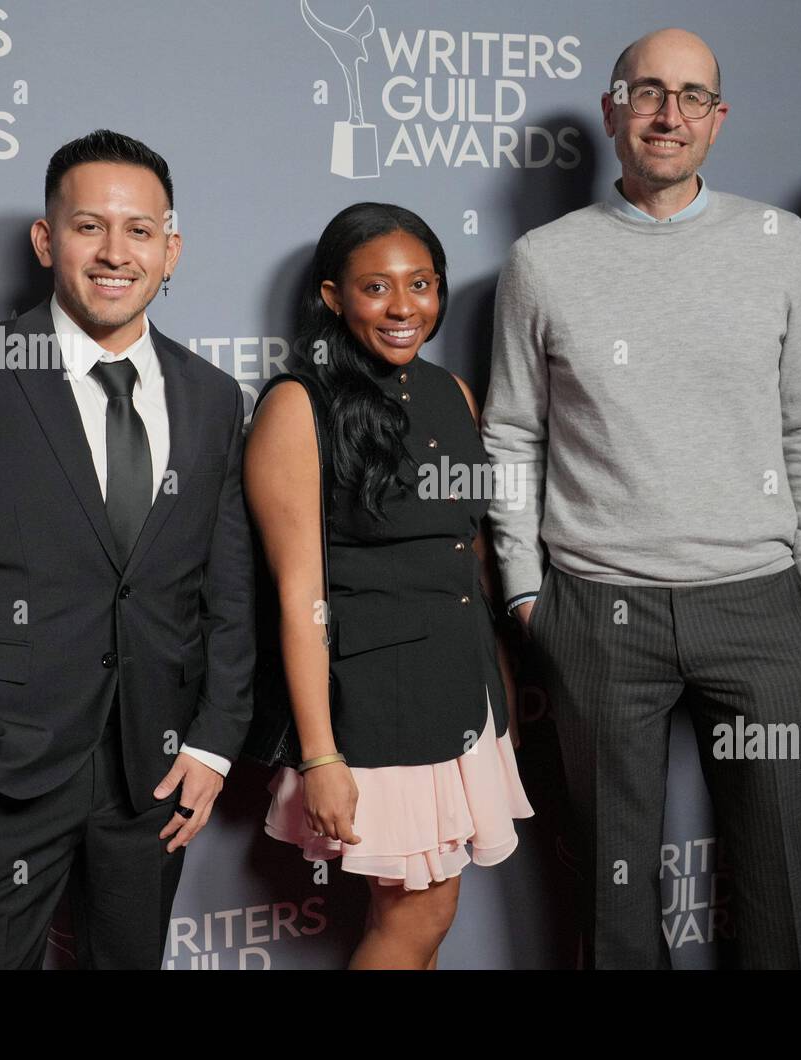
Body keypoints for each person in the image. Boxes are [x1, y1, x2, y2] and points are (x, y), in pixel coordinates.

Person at [481, 28, 801, 969]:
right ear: (613, 111)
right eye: (646, 92)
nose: (667, 114)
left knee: (783, 876)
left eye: (691, 96)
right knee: (611, 880)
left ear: (718, 120)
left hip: (763, 604)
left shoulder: (781, 245)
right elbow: (514, 432)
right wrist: (527, 589)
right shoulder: (542, 259)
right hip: (601, 612)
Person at [0, 130, 255, 969]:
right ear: (46, 240)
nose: (115, 253)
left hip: (157, 769)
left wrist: (215, 739)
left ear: (170, 250)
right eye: (88, 227)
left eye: (140, 231)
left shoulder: (213, 398)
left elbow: (229, 585)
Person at [245, 202, 533, 971]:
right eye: (376, 288)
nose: (405, 307)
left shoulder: (454, 394)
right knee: (422, 911)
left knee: (418, 918)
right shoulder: (297, 406)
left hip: (459, 699)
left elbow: (467, 557)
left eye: (422, 284)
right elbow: (298, 596)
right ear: (334, 297)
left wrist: (495, 695)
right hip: (375, 706)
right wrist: (319, 757)